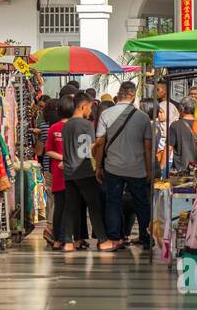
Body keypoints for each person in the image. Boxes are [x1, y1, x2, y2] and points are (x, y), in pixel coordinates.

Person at [93, 81, 153, 249]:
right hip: (137, 168)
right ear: (133, 95)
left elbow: (99, 143)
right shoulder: (143, 117)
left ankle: (114, 238)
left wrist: (98, 166)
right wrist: (149, 169)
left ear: (119, 94)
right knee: (141, 203)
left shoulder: (106, 114)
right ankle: (145, 236)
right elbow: (147, 147)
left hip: (113, 167)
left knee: (113, 202)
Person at [61, 96, 119, 252]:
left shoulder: (65, 126)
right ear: (83, 106)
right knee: (94, 206)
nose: (91, 110)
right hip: (84, 170)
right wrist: (98, 160)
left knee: (70, 207)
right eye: (90, 107)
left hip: (68, 172)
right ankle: (103, 240)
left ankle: (67, 241)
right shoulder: (86, 125)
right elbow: (90, 150)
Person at [43, 96, 74, 249]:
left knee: (59, 206)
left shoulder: (53, 128)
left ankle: (58, 240)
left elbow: (48, 151)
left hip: (58, 171)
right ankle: (66, 238)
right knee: (68, 207)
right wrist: (66, 158)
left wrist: (62, 157)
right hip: (71, 171)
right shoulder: (76, 127)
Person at [168, 99, 197, 172]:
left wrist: (162, 168)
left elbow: (169, 148)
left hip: (180, 169)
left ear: (181, 109)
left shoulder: (175, 125)